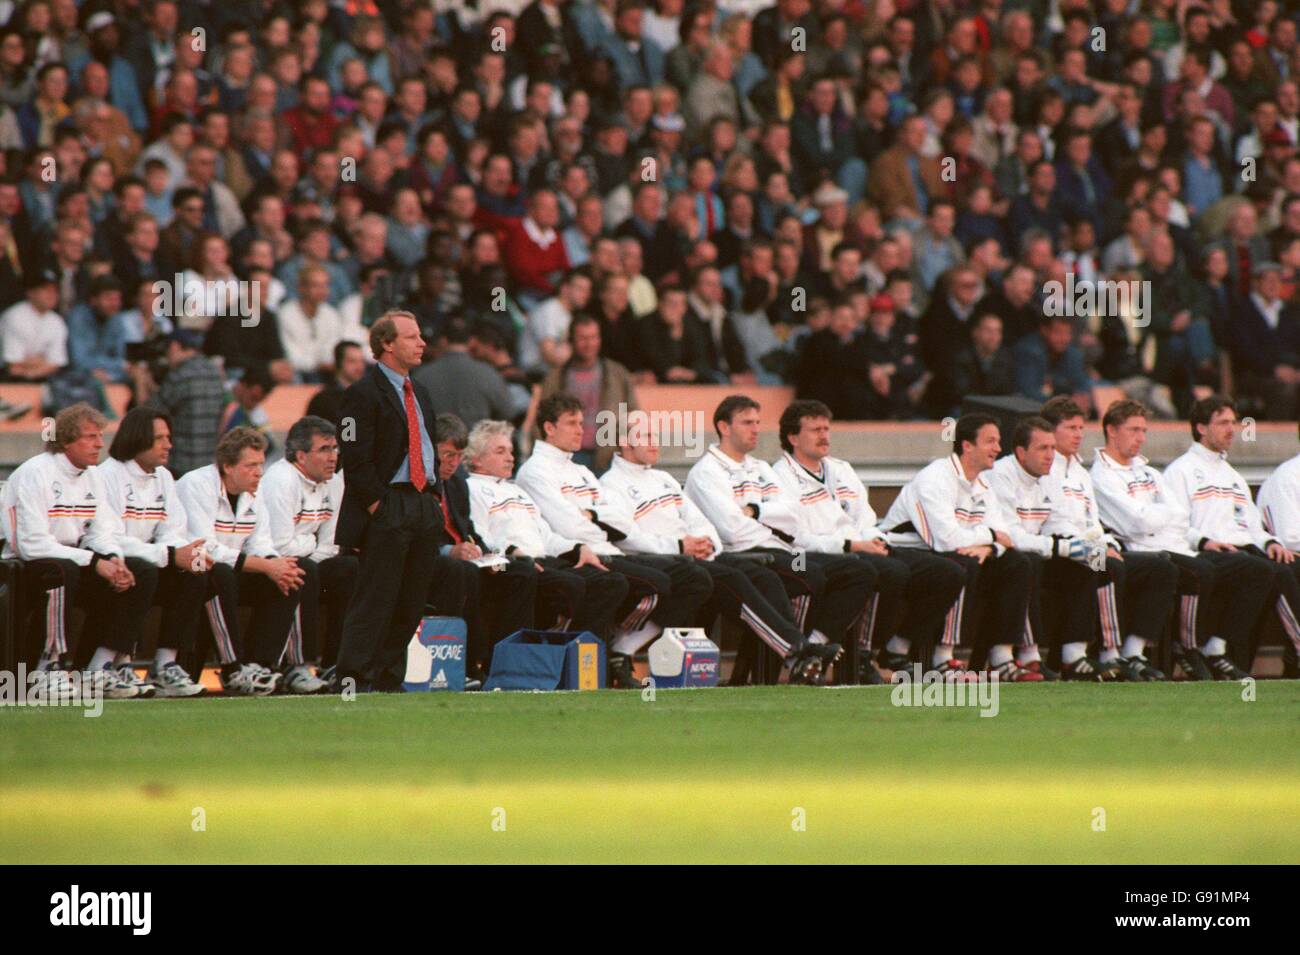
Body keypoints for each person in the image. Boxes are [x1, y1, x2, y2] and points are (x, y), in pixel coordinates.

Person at [600, 419, 827, 682]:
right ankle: (796, 650)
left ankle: (781, 662)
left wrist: (707, 543)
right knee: (734, 578)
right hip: (661, 559)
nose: (655, 442)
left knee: (764, 576)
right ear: (626, 442)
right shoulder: (611, 484)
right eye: (646, 436)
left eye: (655, 434)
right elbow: (628, 536)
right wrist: (680, 545)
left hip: (706, 555)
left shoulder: (664, 478)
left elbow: (699, 520)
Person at [517, 392, 714, 687]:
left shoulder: (581, 471)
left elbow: (621, 520)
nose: (580, 430)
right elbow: (569, 525)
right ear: (549, 428)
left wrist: (593, 516)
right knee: (653, 584)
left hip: (610, 550)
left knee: (694, 577)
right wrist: (599, 522)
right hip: (579, 556)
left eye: (581, 422)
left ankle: (621, 649)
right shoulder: (534, 471)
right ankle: (592, 659)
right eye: (571, 423)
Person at [771, 400, 967, 684]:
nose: (824, 435)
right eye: (815, 430)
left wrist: (873, 539)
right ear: (792, 437)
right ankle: (860, 656)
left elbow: (865, 517)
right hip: (816, 555)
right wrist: (851, 546)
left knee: (948, 572)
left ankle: (896, 647)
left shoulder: (841, 469)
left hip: (862, 545)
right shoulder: (780, 477)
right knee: (888, 571)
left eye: (827, 428)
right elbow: (796, 536)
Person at [685, 395, 875, 681]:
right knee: (807, 576)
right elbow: (733, 530)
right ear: (724, 427)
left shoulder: (760, 468)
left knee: (857, 570)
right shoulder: (706, 472)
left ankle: (815, 644)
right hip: (743, 555)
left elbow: (793, 518)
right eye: (747, 422)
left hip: (784, 551)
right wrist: (771, 522)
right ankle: (792, 658)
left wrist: (756, 511)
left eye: (758, 422)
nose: (755, 429)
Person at [1091, 400, 1271, 682]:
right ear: (1112, 431)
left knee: (1257, 570)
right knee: (1199, 572)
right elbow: (1136, 522)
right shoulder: (1102, 476)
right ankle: (1186, 647)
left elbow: (1179, 517)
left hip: (1179, 545)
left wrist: (1159, 518)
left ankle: (1216, 646)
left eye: (1144, 431)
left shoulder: (1149, 472)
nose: (1141, 438)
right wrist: (1161, 516)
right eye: (1134, 430)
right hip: (1145, 551)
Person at [0, 403, 157, 700]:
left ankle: (99, 666)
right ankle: (48, 666)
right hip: (24, 566)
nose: (100, 443)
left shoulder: (93, 476)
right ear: (67, 440)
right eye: (90, 436)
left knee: (140, 569)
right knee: (61, 570)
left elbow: (103, 530)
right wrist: (94, 562)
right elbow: (31, 545)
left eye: (100, 435)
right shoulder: (35, 473)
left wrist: (114, 561)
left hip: (74, 560)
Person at [333, 310, 444, 692]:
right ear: (387, 344)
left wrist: (436, 497)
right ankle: (353, 676)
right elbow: (354, 456)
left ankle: (388, 675)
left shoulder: (422, 392)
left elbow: (430, 448)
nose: (422, 343)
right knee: (375, 597)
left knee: (411, 600)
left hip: (423, 503)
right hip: (390, 503)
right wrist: (378, 505)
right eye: (412, 337)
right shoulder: (361, 394)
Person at [878, 413, 1035, 681]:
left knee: (1019, 563)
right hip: (903, 553)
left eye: (998, 441)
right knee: (962, 564)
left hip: (950, 555)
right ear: (967, 446)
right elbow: (946, 540)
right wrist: (989, 536)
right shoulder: (935, 478)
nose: (998, 448)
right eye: (990, 441)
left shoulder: (983, 484)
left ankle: (1001, 657)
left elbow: (1006, 537)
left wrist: (990, 548)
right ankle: (942, 657)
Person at [1037, 396, 1180, 681]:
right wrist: (1097, 547)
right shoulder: (1045, 469)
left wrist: (1109, 544)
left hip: (1091, 546)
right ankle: (1103, 654)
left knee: (1160, 567)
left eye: (1081, 427)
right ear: (1051, 431)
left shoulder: (1078, 471)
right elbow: (1053, 521)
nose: (1079, 434)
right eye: (1071, 428)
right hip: (1060, 551)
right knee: (1109, 565)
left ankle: (1133, 652)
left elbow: (1093, 522)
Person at [1162, 396, 1300, 679]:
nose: (1231, 429)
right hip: (1204, 552)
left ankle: (1229, 647)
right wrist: (1204, 541)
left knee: (1282, 570)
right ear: (1201, 428)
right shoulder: (1180, 471)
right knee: (1263, 570)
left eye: (1234, 423)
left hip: (1242, 551)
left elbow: (1251, 524)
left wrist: (1270, 543)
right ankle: (1214, 647)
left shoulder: (1232, 475)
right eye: (1223, 423)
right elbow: (1173, 523)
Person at [176, 427, 310, 694]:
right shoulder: (196, 484)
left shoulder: (254, 492)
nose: (259, 472)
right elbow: (206, 548)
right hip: (191, 569)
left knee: (291, 573)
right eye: (251, 465)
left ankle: (260, 665)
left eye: (261, 464)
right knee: (220, 573)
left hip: (233, 569)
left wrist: (276, 564)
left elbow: (260, 542)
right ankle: (232, 667)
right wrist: (266, 565)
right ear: (227, 466)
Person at [96, 406, 212, 696]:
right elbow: (109, 538)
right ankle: (103, 667)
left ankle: (165, 665)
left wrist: (181, 554)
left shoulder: (163, 477)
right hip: (109, 566)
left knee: (196, 569)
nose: (169, 445)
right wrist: (169, 555)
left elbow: (171, 529)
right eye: (160, 438)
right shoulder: (106, 476)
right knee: (144, 568)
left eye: (169, 437)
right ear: (137, 438)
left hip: (149, 565)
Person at [433, 413, 540, 685]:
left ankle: (503, 666)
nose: (453, 463)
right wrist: (451, 550)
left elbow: (469, 528)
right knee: (463, 572)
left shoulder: (455, 483)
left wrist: (487, 553)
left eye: (457, 455)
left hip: (476, 559)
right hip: (438, 560)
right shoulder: (420, 482)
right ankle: (468, 665)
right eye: (446, 455)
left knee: (519, 571)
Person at [258, 416, 358, 682]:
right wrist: (310, 546)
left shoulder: (333, 483)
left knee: (351, 569)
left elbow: (331, 544)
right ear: (301, 456)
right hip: (268, 565)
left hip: (308, 561)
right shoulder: (280, 480)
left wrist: (308, 547)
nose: (333, 457)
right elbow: (280, 546)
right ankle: (297, 665)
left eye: (335, 448)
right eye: (324, 450)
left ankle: (335, 663)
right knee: (305, 569)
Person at [139, 328, 225, 476]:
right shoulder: (214, 372)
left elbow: (148, 414)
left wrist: (140, 381)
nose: (166, 356)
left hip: (182, 463)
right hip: (208, 462)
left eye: (167, 350)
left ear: (175, 346)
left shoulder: (181, 375)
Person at [306, 340, 365, 428]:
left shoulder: (369, 395)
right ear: (339, 363)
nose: (359, 367)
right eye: (352, 361)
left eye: (361, 361)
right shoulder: (323, 400)